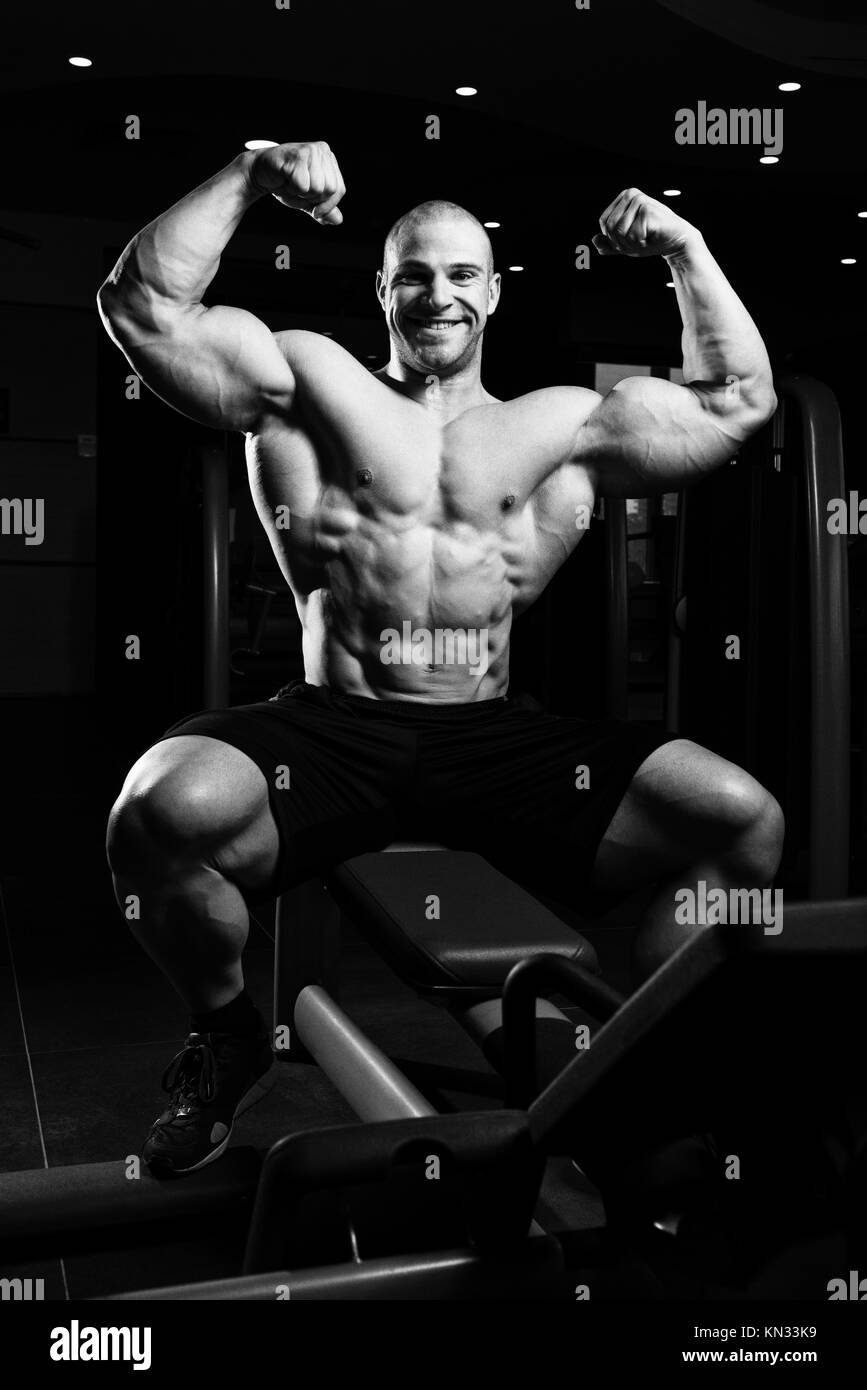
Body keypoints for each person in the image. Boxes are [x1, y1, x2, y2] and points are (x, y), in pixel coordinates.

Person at [97, 142, 783, 1175]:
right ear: (382, 287)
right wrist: (249, 174)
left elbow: (739, 401)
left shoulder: (558, 425)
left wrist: (684, 246)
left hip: (492, 734)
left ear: (495, 293)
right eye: (414, 272)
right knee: (155, 814)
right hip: (334, 727)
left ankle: (634, 1061)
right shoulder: (306, 383)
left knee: (742, 822)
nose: (438, 293)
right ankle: (228, 1031)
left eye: (463, 273)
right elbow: (143, 308)